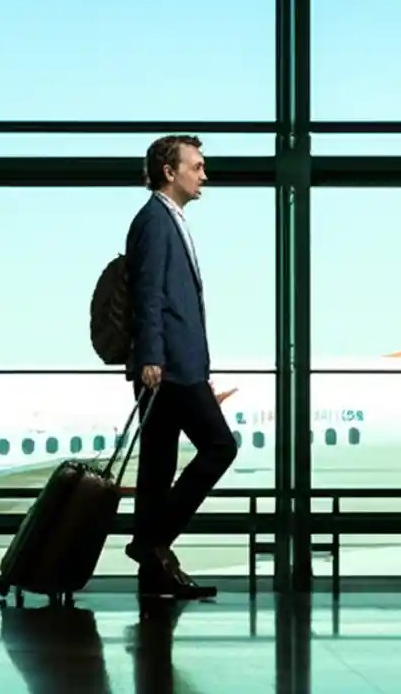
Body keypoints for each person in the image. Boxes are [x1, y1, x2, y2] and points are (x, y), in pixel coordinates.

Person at [123, 134, 237, 600]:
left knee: (156, 470)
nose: (204, 173)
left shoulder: (170, 219)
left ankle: (155, 575)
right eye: (197, 165)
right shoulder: (154, 220)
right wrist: (151, 356)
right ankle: (151, 543)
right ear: (170, 172)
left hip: (177, 363)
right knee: (219, 446)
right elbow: (147, 294)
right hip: (167, 367)